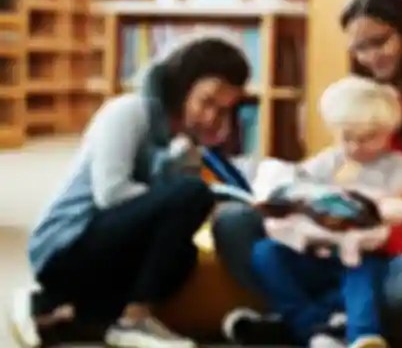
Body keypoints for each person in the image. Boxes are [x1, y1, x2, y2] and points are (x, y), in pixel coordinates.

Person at [215, 0, 402, 346]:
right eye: (360, 48)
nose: (371, 56)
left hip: (399, 248)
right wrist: (304, 198)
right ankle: (329, 324)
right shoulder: (357, 91)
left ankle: (298, 322)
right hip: (331, 241)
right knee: (234, 222)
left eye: (380, 41)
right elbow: (329, 167)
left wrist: (363, 204)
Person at [10, 35, 251, 348]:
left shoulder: (184, 141)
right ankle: (133, 319)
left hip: (108, 245)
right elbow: (110, 193)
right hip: (64, 245)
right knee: (192, 194)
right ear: (183, 86)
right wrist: (178, 192)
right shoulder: (129, 111)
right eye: (207, 102)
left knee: (183, 256)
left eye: (223, 111)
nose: (211, 118)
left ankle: (58, 311)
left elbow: (169, 221)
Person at [228, 76, 402, 348]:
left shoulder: (397, 165)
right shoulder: (329, 160)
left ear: (389, 132)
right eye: (347, 137)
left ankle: (362, 335)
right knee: (265, 253)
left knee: (360, 276)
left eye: (368, 139)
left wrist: (383, 208)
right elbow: (298, 183)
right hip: (314, 252)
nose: (355, 147)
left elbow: (395, 207)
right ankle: (316, 329)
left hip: (359, 253)